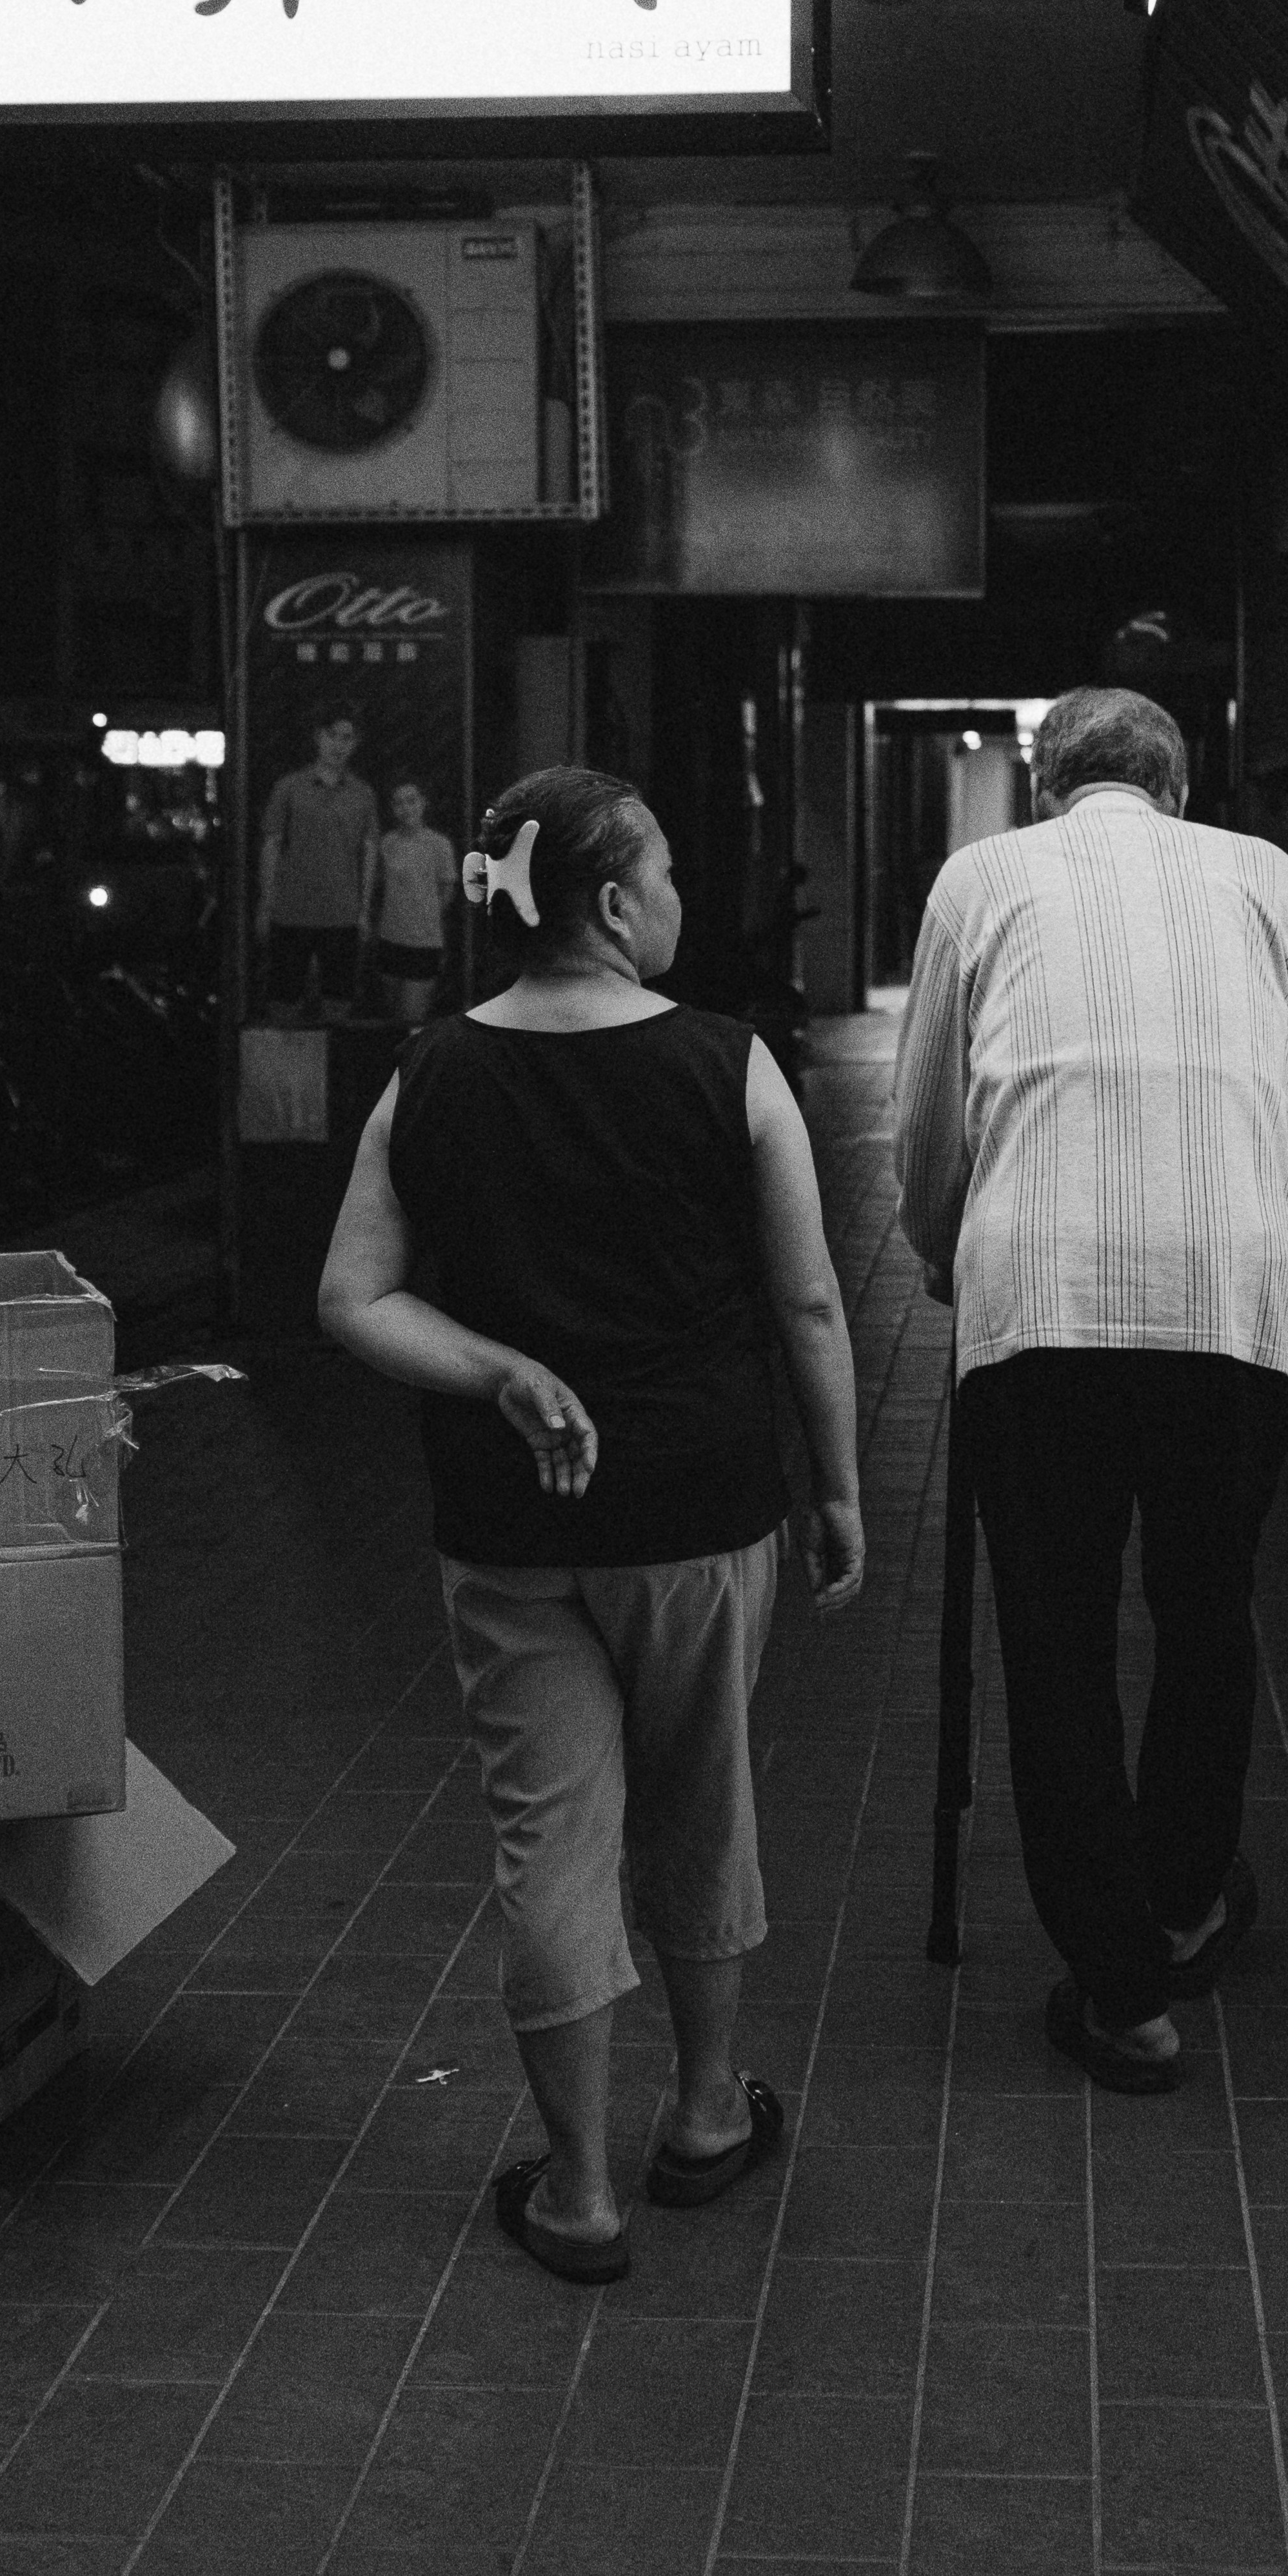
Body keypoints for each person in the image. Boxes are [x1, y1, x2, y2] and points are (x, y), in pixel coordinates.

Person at [319, 763, 866, 2281]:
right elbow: (809, 1300)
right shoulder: (726, 1062)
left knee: (549, 1841)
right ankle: (700, 2116)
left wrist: (497, 1370)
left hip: (508, 1530)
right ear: (614, 905)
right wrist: (832, 1488)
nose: (681, 898)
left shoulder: (428, 1068)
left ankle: (576, 2191)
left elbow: (351, 1297)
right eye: (670, 874)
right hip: (698, 1509)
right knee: (701, 1806)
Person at [893, 683, 1288, 2095]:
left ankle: (1121, 1989)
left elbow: (927, 1115)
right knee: (1205, 1609)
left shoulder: (978, 880)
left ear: (1044, 781)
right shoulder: (1264, 879)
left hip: (1038, 1312)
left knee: (1054, 1636)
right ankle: (1183, 1898)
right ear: (1178, 789)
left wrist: (945, 1248)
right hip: (1224, 1304)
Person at [255, 709, 378, 1018]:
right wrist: (266, 903)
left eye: (347, 738)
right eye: (332, 736)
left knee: (339, 1003)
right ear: (318, 738)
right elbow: (271, 846)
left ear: (356, 744)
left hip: (343, 914)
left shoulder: (363, 793)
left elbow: (369, 853)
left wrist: (364, 911)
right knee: (283, 1003)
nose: (339, 744)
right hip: (290, 911)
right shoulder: (289, 786)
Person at [368, 775, 456, 1026]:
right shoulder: (387, 843)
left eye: (411, 801)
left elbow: (447, 890)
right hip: (389, 939)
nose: (406, 808)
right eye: (398, 803)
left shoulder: (440, 844)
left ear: (423, 803)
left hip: (423, 943)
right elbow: (378, 888)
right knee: (391, 1019)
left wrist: (425, 918)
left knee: (412, 1020)